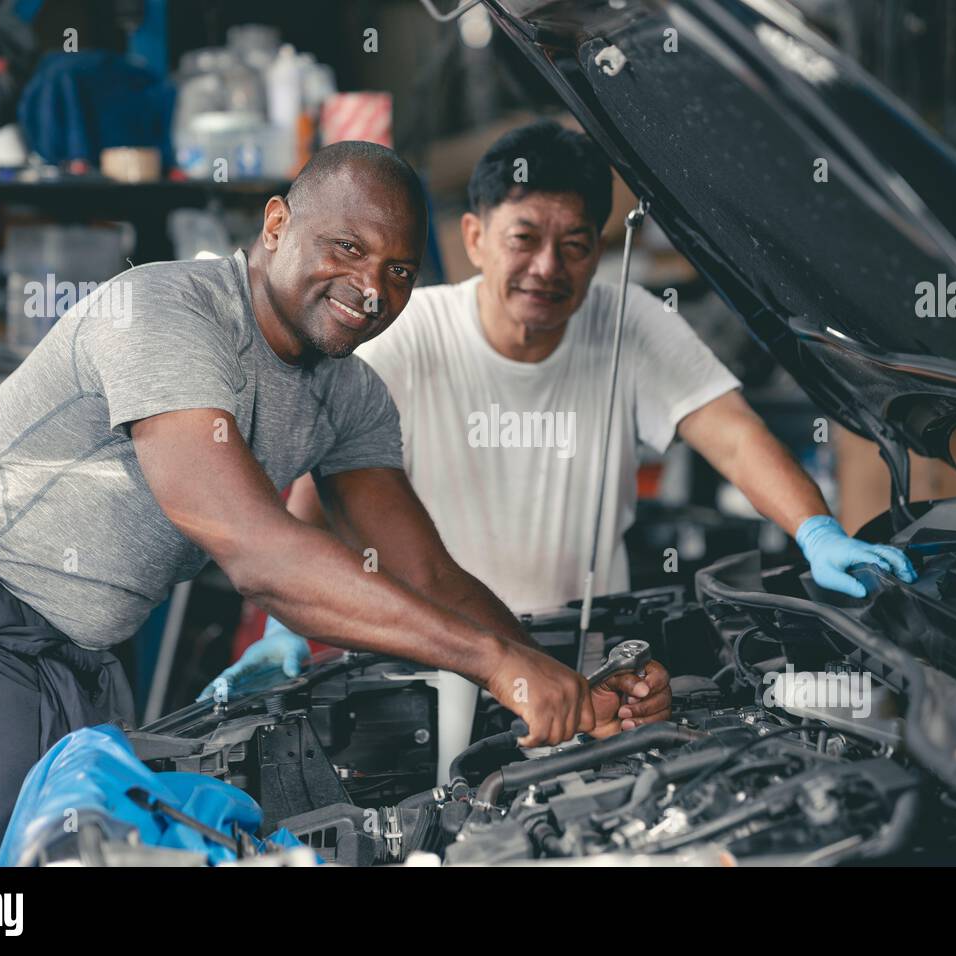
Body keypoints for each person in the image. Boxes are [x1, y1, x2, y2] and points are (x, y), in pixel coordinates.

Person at [0, 141, 618, 867]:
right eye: (347, 248)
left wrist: (564, 684)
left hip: (81, 656)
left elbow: (426, 571)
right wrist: (492, 664)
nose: (371, 290)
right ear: (274, 225)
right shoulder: (166, 314)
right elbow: (258, 553)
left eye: (397, 270)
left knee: (100, 855)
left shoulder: (350, 395)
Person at [223, 121, 916, 729]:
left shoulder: (628, 323)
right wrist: (288, 623)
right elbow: (318, 508)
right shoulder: (408, 338)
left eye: (575, 245)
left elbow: (730, 433)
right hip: (417, 669)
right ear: (476, 237)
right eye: (524, 238)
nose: (547, 268)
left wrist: (815, 531)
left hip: (589, 665)